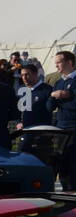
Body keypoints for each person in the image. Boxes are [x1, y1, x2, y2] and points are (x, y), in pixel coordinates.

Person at [47, 51, 76, 188]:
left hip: (73, 126)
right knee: (61, 160)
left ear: (69, 62)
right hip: (60, 127)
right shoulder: (58, 82)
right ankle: (66, 192)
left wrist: (67, 96)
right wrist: (54, 96)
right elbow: (49, 106)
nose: (56, 65)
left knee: (72, 161)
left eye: (59, 62)